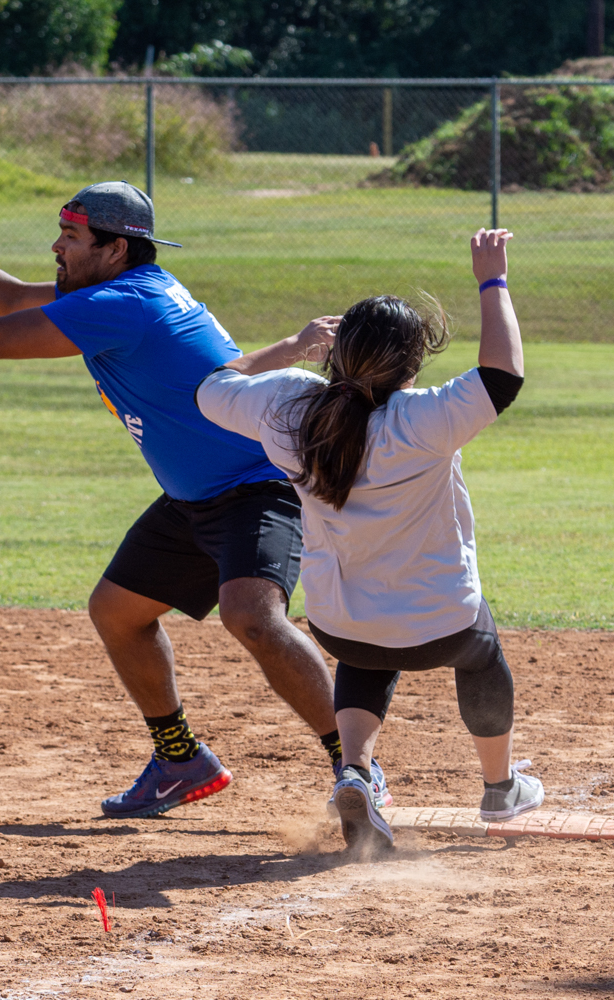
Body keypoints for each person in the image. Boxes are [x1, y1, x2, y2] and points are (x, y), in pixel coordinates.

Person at [0, 179, 379, 818]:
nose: (57, 246)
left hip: (256, 484)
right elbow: (3, 298)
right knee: (117, 612)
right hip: (194, 494)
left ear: (115, 249)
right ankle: (180, 760)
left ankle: (357, 767)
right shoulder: (119, 288)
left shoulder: (125, 303)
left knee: (251, 615)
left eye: (71, 236)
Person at [195, 229, 542, 854]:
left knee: (366, 652)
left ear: (337, 355)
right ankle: (500, 789)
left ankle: (355, 770)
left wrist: (290, 347)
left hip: (338, 622)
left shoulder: (288, 405)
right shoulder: (425, 420)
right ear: (413, 364)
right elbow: (502, 376)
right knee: (482, 655)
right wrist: (494, 281)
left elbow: (210, 388)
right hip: (443, 623)